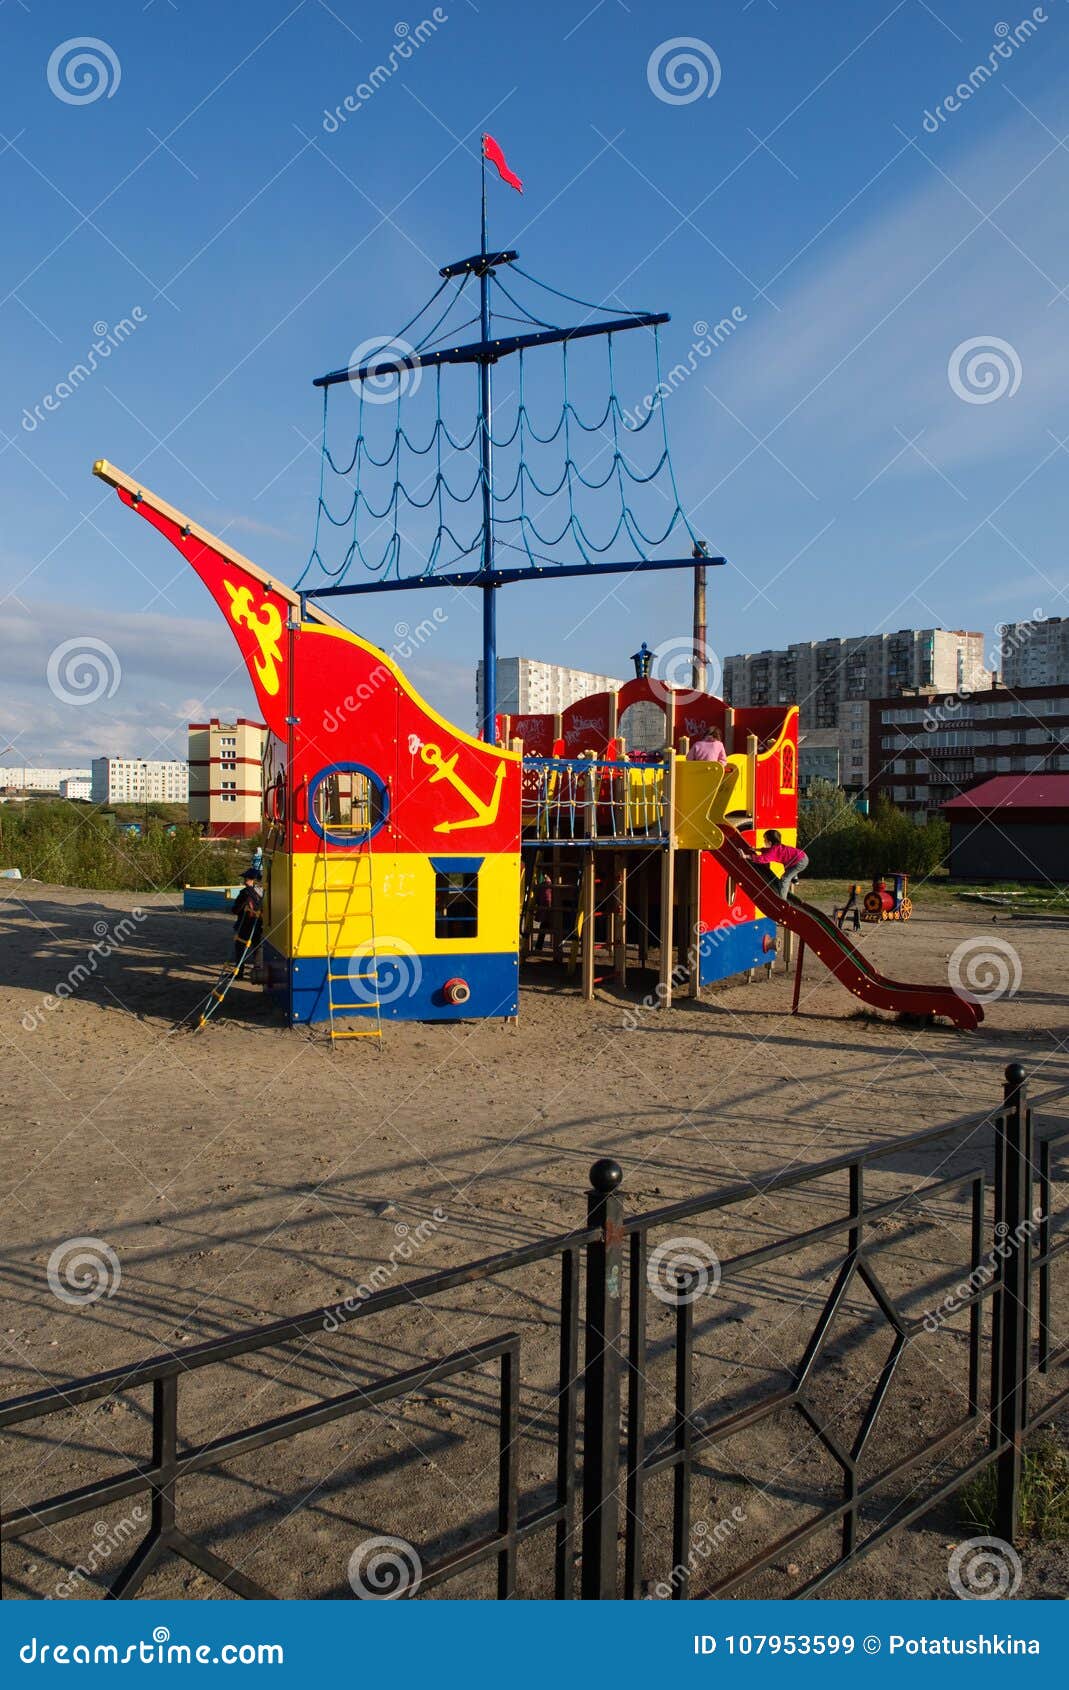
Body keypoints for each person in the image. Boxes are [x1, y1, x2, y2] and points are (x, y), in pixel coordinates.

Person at [746, 830, 809, 900]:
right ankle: (794, 878)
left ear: (770, 842)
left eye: (765, 839)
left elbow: (763, 858)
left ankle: (782, 900)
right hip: (799, 857)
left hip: (800, 862)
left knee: (784, 879)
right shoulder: (777, 847)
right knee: (788, 867)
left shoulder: (774, 851)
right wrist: (756, 849)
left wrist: (747, 856)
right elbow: (767, 851)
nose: (764, 841)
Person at [232, 870, 263, 977]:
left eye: (246, 878)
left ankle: (239, 972)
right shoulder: (262, 893)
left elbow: (235, 910)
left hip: (245, 924)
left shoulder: (244, 893)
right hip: (258, 924)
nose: (245, 880)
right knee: (257, 947)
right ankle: (258, 971)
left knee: (240, 947)